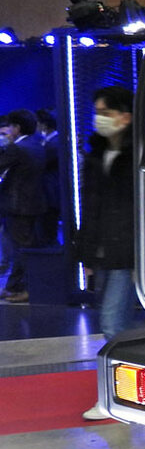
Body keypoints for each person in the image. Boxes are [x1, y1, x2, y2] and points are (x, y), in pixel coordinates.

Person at [77, 87, 139, 421]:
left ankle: (117, 397)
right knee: (117, 326)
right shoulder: (95, 155)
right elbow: (91, 209)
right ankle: (123, 394)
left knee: (113, 324)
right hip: (104, 252)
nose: (100, 117)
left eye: (106, 111)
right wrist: (86, 254)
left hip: (128, 253)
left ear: (125, 115)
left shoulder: (141, 155)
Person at [0, 109, 47, 303]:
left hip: (18, 206)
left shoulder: (17, 148)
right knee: (22, 247)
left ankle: (26, 287)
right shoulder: (37, 144)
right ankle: (14, 286)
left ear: (17, 128)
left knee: (18, 249)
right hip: (32, 204)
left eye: (9, 127)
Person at [34, 108, 60, 247]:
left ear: (43, 125)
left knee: (48, 233)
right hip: (47, 194)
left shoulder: (54, 144)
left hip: (50, 194)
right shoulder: (48, 143)